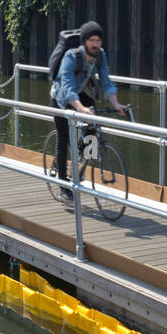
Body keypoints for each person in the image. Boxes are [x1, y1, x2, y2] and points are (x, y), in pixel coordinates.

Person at [50, 21, 129, 201]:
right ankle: (63, 186)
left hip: (83, 93)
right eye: (92, 40)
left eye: (98, 40)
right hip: (62, 97)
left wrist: (116, 104)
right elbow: (68, 86)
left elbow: (106, 81)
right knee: (63, 139)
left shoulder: (100, 55)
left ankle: (82, 159)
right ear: (84, 41)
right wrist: (81, 109)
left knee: (93, 130)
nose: (95, 44)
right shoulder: (71, 56)